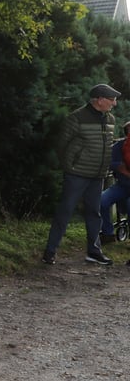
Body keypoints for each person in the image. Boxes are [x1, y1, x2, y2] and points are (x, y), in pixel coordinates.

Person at [43, 83, 120, 265]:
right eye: (112, 99)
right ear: (99, 100)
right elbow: (61, 144)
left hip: (98, 175)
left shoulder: (110, 119)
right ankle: (50, 252)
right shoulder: (77, 117)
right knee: (65, 211)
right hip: (76, 175)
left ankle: (93, 252)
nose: (114, 103)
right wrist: (71, 166)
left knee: (95, 213)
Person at [99, 121, 130, 244]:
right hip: (122, 186)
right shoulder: (119, 146)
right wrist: (119, 167)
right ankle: (107, 233)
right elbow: (109, 162)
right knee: (102, 200)